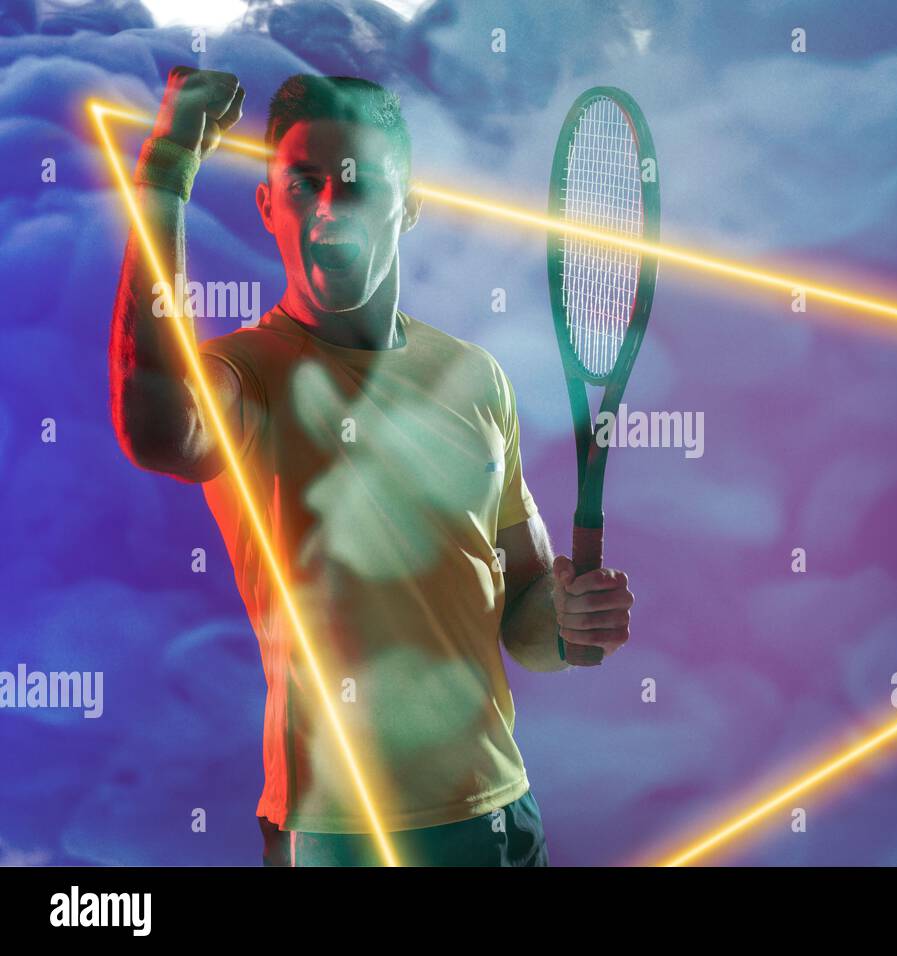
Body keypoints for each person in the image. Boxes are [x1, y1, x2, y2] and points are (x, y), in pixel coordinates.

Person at [107, 68, 635, 866]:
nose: (330, 205)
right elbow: (157, 428)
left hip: (502, 820)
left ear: (409, 206)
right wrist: (168, 170)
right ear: (267, 205)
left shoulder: (477, 379)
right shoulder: (238, 377)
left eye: (358, 182)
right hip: (335, 840)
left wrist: (567, 624)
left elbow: (523, 616)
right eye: (304, 182)